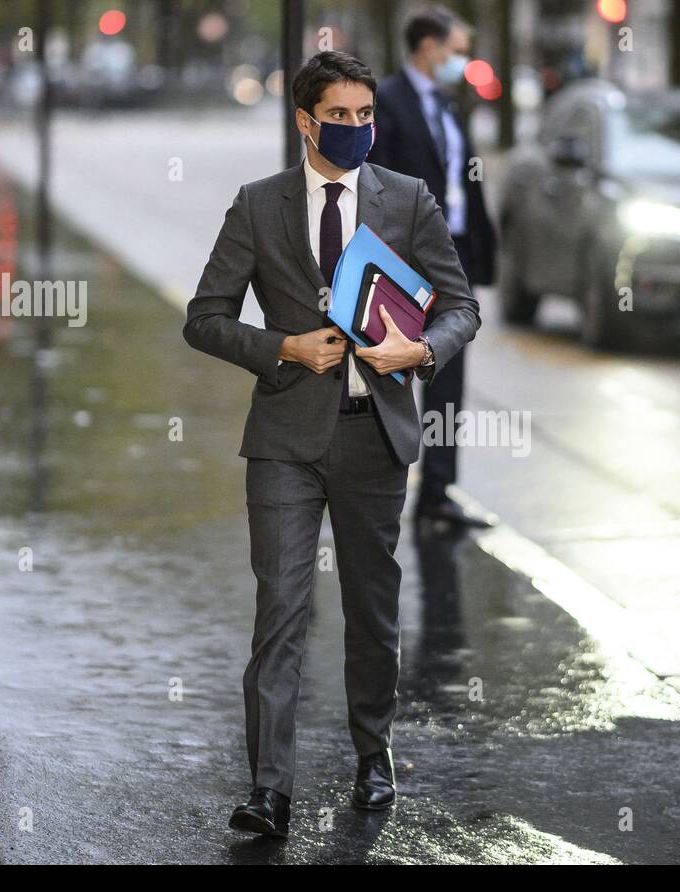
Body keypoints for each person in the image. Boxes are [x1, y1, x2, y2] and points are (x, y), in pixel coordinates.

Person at [184, 51, 480, 835]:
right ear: (304, 121)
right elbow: (204, 317)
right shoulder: (257, 205)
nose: (354, 129)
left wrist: (420, 353)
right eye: (338, 116)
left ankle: (372, 756)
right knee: (281, 609)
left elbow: (460, 308)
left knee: (374, 609)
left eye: (363, 115)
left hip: (373, 438)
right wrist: (283, 348)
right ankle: (270, 790)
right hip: (283, 438)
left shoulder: (407, 199)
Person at [367, 7, 498, 530]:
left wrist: (481, 253)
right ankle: (384, 496)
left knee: (447, 374)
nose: (462, 60)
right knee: (394, 371)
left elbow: (465, 183)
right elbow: (377, 183)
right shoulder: (389, 102)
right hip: (405, 260)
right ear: (428, 46)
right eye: (457, 49)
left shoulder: (449, 104)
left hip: (455, 257)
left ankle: (438, 494)